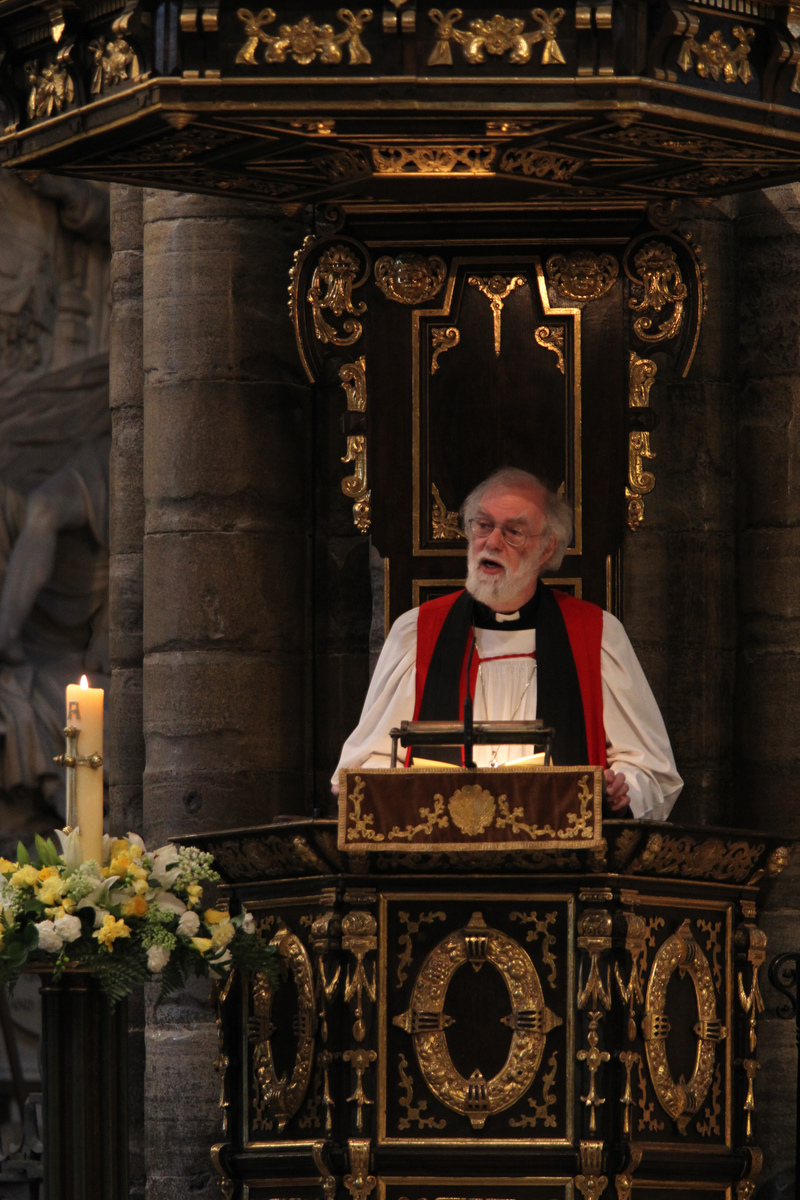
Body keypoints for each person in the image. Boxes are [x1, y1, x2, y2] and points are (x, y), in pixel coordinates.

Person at [332, 467, 682, 821]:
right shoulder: (418, 632)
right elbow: (374, 758)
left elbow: (651, 770)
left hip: (557, 860)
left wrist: (621, 792)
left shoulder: (596, 635)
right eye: (483, 525)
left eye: (513, 531)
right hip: (441, 858)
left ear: (546, 549)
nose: (492, 542)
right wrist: (367, 785)